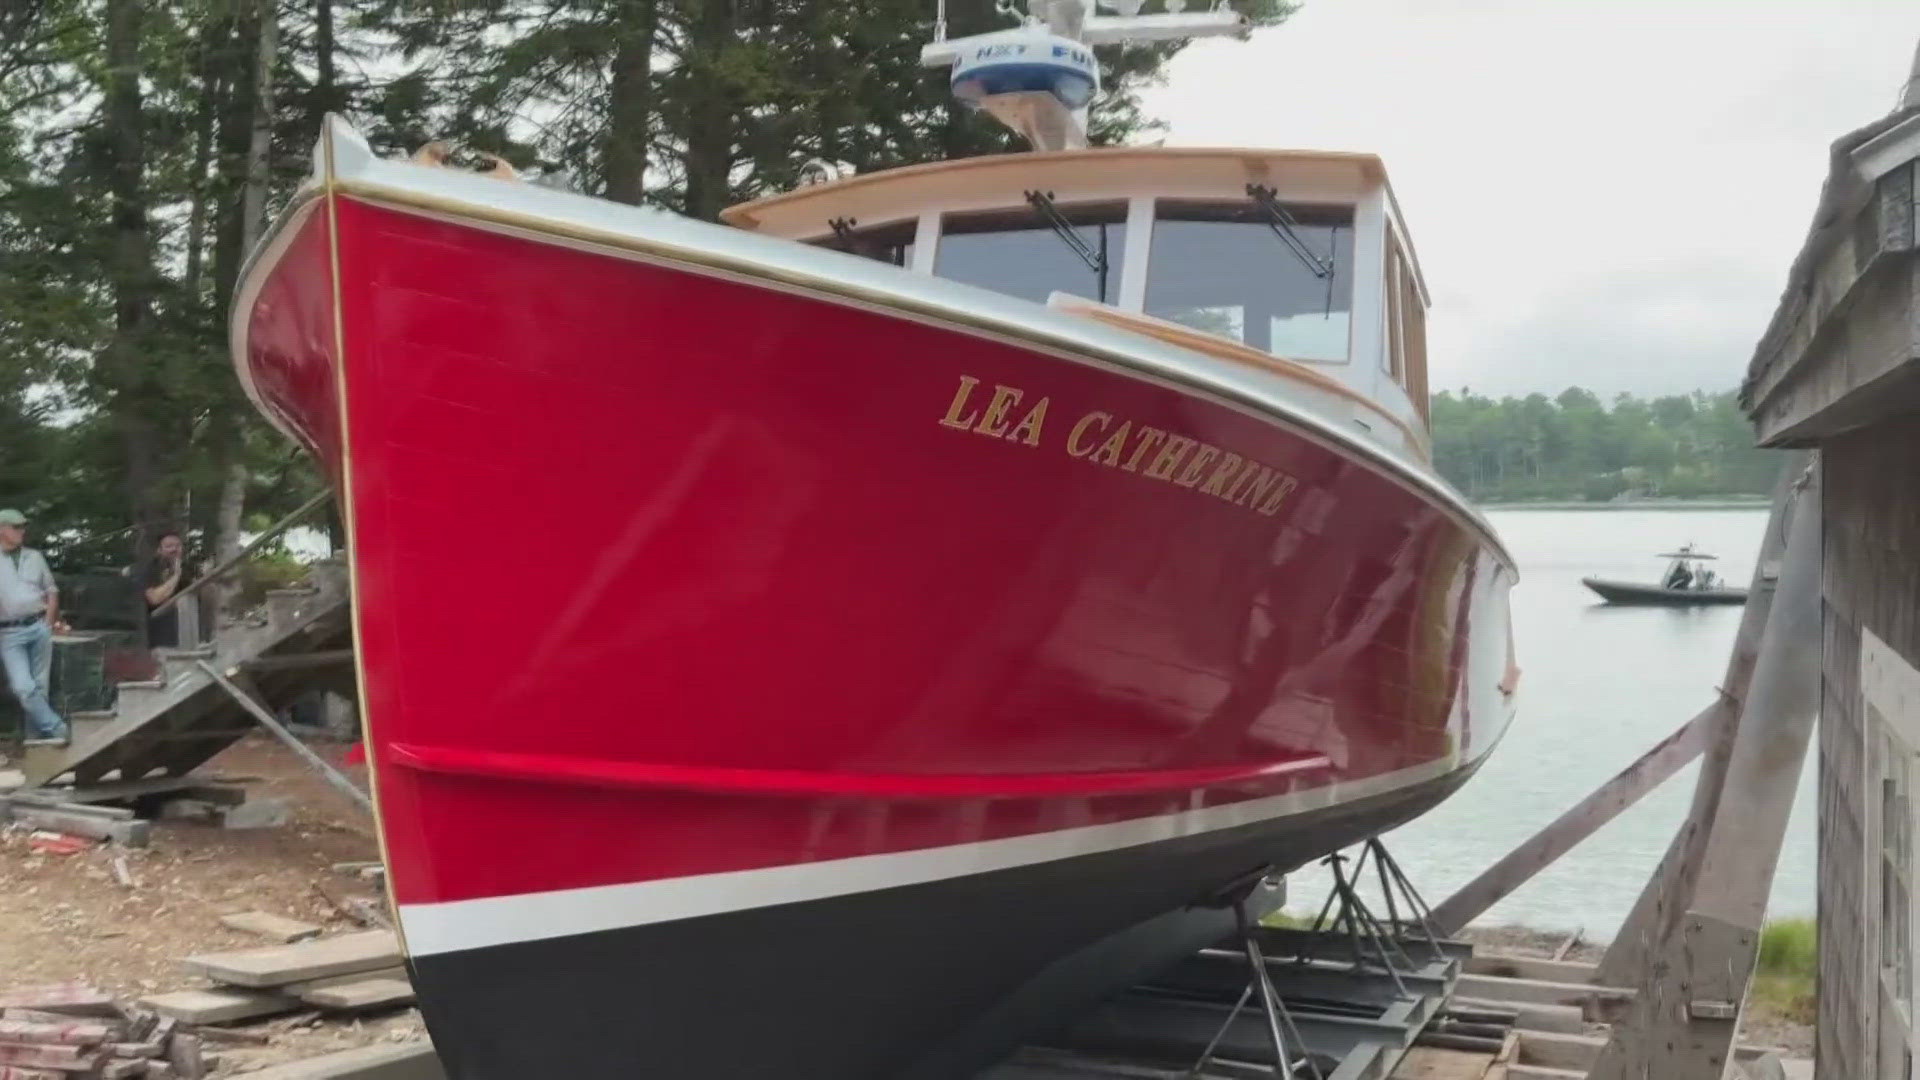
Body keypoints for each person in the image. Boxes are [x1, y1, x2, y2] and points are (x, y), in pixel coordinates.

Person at [0, 509, 68, 743]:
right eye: (16, 527)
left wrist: (48, 623)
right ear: (2, 529)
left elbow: (51, 590)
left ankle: (36, 742)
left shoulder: (34, 556)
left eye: (22, 527)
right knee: (23, 688)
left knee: (41, 688)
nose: (22, 531)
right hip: (8, 632)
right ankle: (58, 729)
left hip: (38, 625)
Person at [143, 531, 192, 649]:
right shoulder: (149, 569)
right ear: (159, 550)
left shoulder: (188, 569)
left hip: (185, 633)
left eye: (178, 546)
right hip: (156, 635)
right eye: (169, 546)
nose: (174, 549)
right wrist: (176, 576)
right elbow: (154, 598)